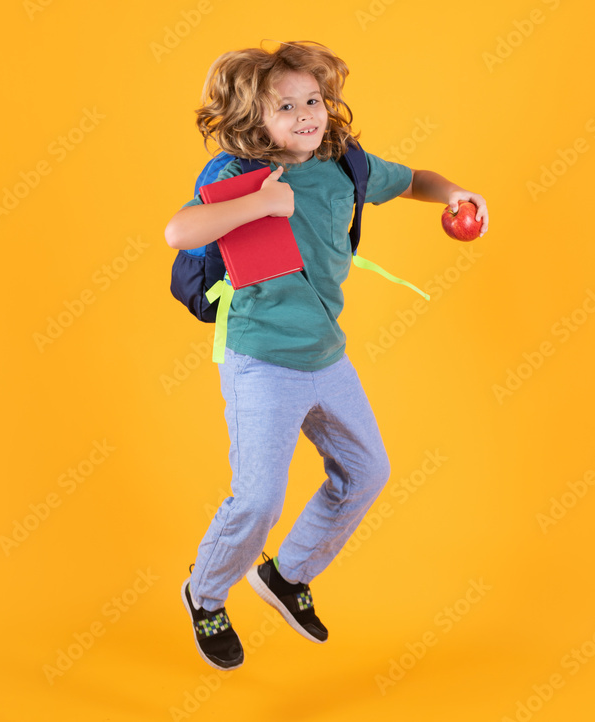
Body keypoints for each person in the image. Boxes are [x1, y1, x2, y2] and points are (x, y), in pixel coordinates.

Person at [165, 40, 489, 670]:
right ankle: (205, 594)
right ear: (253, 120)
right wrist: (259, 204)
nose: (306, 114)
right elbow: (179, 231)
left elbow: (414, 180)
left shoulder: (343, 164)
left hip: (327, 356)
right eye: (285, 106)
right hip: (261, 361)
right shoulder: (237, 175)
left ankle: (287, 576)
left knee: (367, 472)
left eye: (312, 99)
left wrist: (455, 193)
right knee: (257, 501)